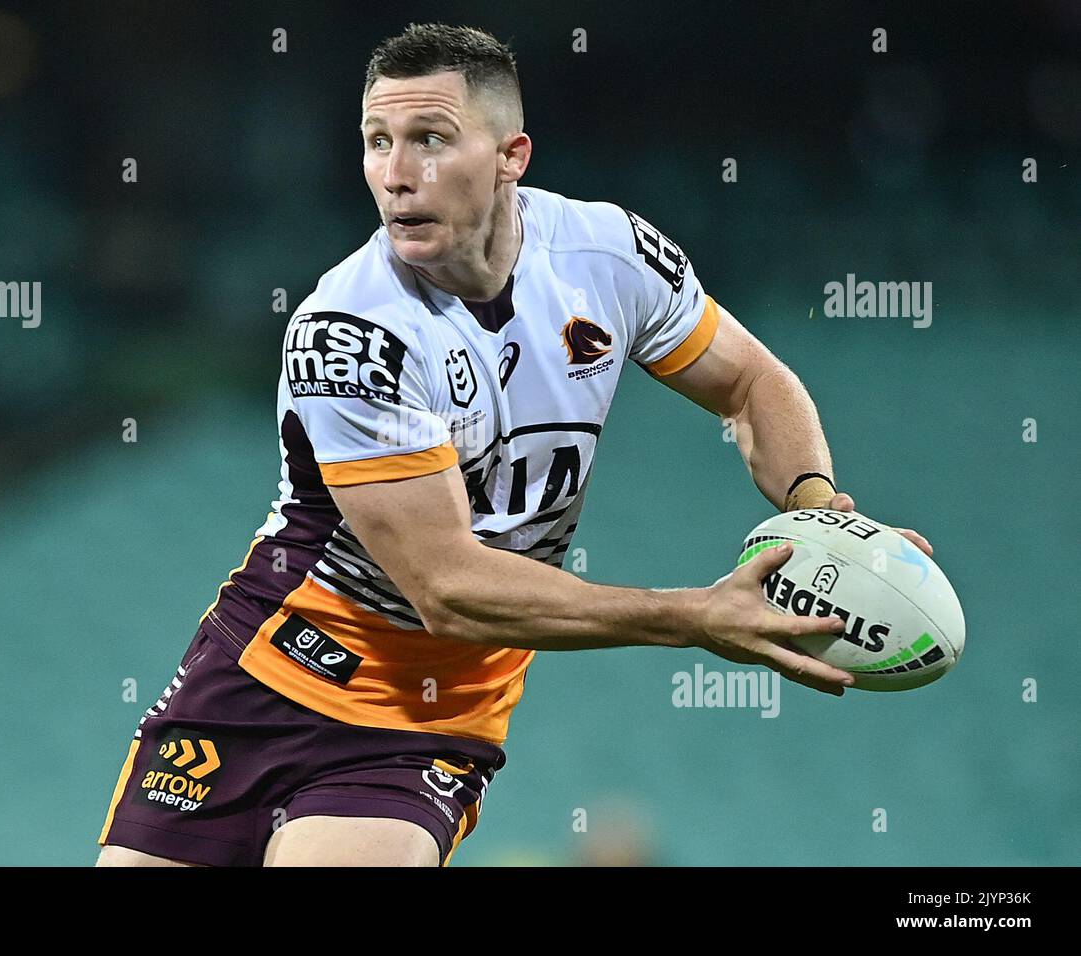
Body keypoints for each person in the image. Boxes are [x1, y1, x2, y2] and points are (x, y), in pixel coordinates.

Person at [96, 22, 933, 868]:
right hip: (266, 672)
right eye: (376, 142)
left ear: (511, 155)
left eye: (429, 139)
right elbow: (448, 588)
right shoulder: (350, 329)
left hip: (428, 710)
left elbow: (754, 384)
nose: (395, 173)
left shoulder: (608, 256)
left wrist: (821, 516)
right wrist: (692, 617)